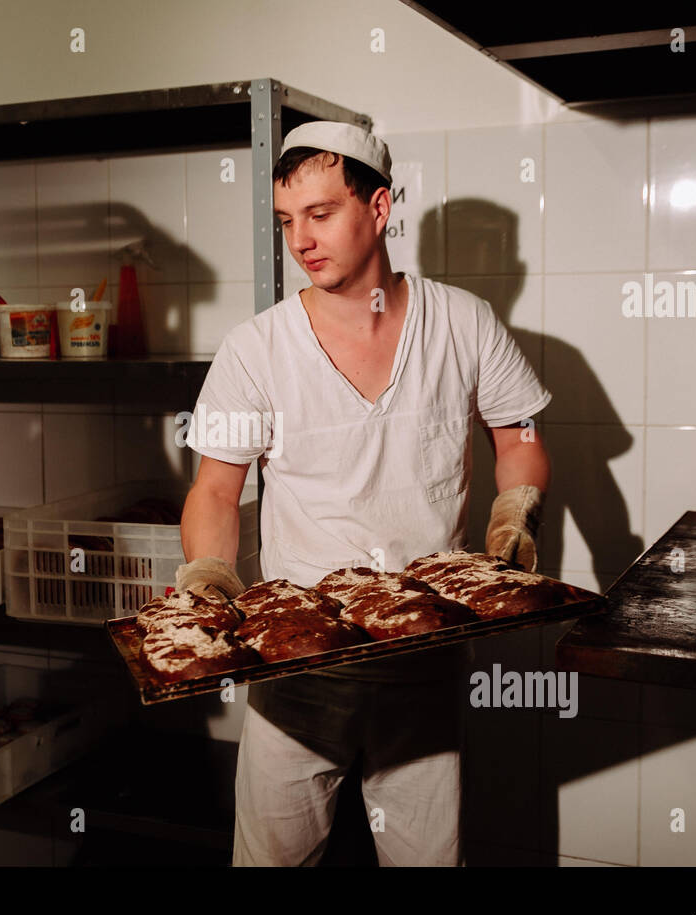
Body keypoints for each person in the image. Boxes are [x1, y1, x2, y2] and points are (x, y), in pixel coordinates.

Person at [176, 121, 552, 866]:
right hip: (297, 668)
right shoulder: (258, 348)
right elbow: (216, 490)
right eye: (287, 221)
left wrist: (514, 513)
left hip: (423, 655)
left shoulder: (463, 323)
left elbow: (521, 440)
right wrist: (211, 575)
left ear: (378, 209)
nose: (301, 241)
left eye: (321, 214)